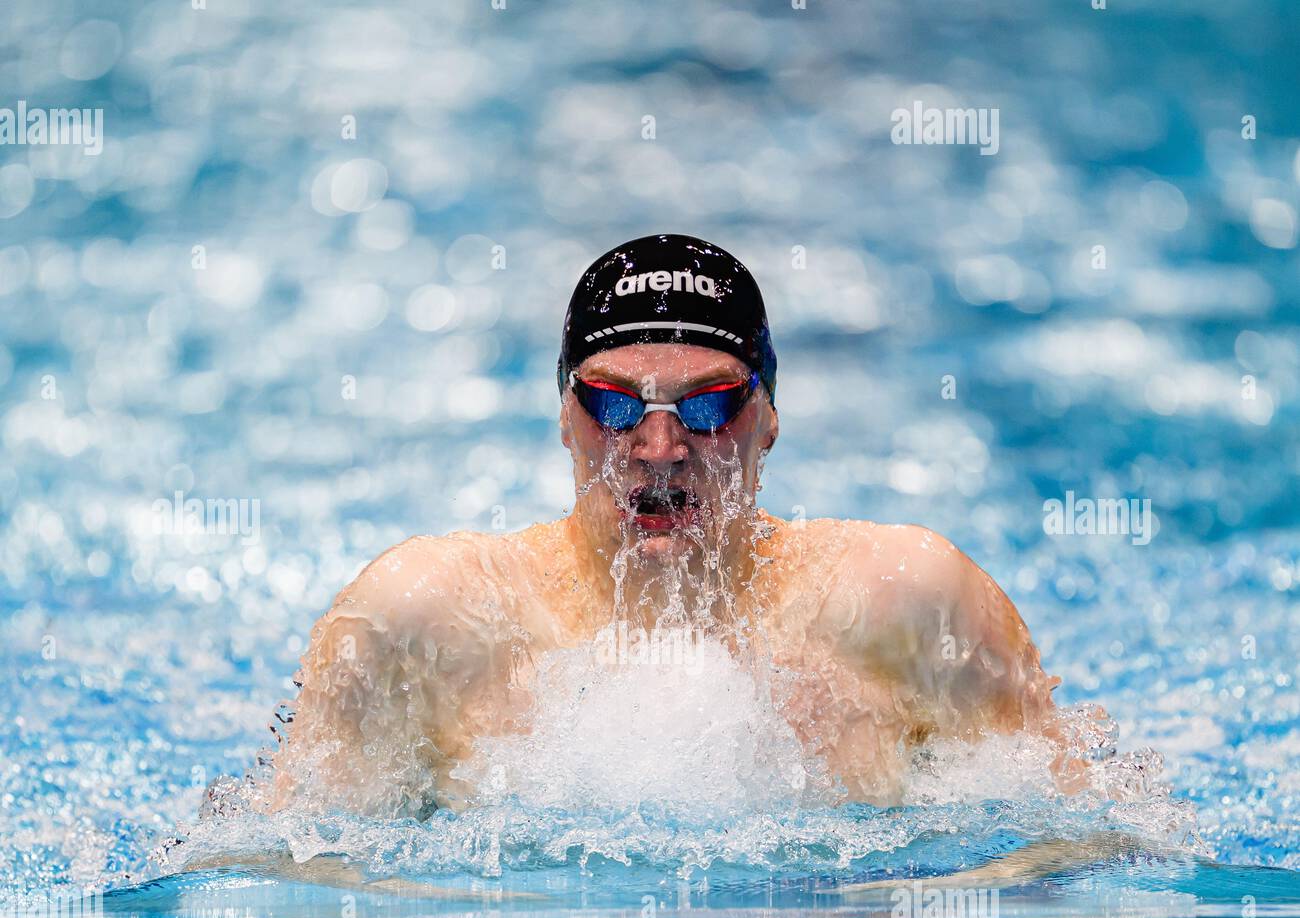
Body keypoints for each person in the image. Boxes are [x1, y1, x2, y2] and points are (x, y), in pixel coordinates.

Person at [269, 233, 1072, 817]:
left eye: (709, 406)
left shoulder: (910, 602)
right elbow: (293, 883)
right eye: (615, 404)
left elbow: (1076, 849)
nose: (659, 449)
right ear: (563, 419)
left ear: (767, 420)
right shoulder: (425, 617)